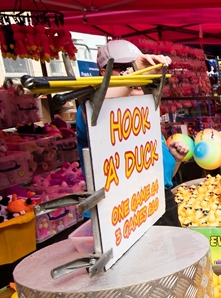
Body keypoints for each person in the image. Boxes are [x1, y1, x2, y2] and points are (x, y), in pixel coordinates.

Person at [76, 39, 190, 227]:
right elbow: (100, 108)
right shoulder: (90, 110)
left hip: (156, 203)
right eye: (123, 68)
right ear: (103, 73)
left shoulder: (144, 116)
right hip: (121, 213)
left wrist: (175, 160)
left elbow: (164, 180)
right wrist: (135, 73)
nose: (132, 75)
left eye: (134, 67)